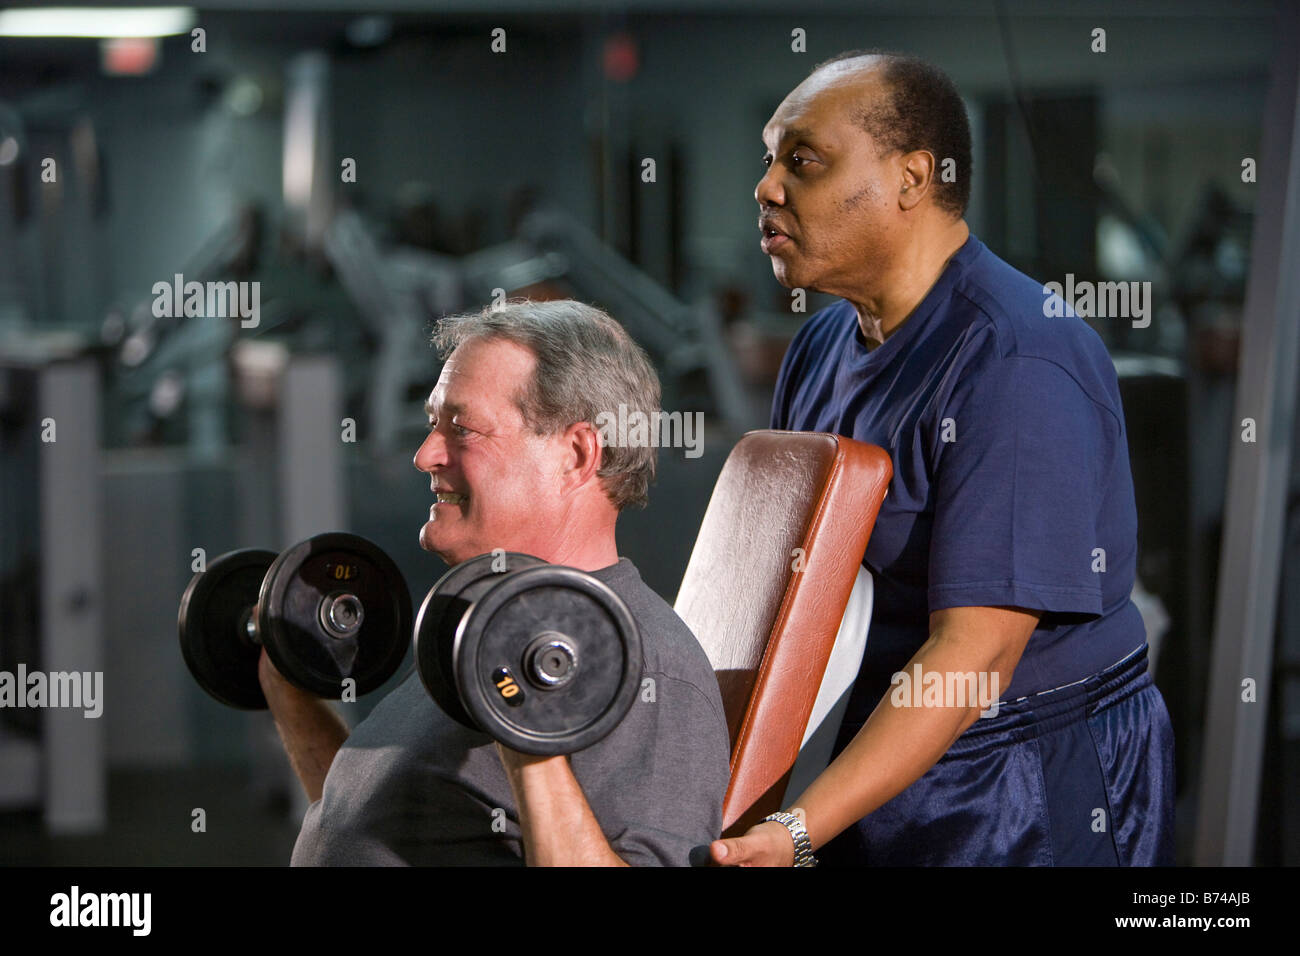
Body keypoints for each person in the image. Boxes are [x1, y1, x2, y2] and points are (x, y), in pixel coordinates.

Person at [712, 50, 1174, 866]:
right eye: (769, 158)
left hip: (1018, 774)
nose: (768, 187)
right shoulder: (822, 343)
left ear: (913, 178)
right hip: (877, 753)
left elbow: (974, 654)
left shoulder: (1016, 359)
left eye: (803, 160)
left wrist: (796, 829)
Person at [264, 298, 731, 865]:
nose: (424, 455)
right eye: (432, 425)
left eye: (462, 429)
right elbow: (366, 822)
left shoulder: (652, 672)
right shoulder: (482, 621)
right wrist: (287, 685)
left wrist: (528, 729)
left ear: (577, 455)